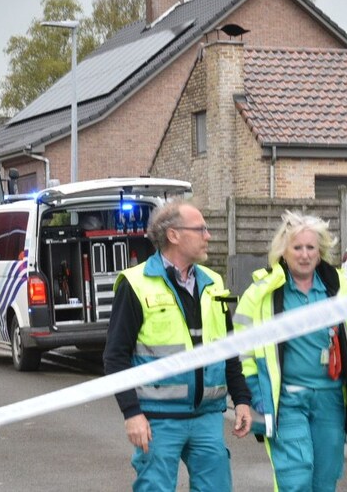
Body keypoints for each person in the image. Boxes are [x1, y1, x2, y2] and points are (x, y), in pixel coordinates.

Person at [235, 211, 347, 492]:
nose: (305, 254)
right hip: (286, 402)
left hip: (330, 400)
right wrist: (252, 391)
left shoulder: (344, 293)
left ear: (320, 252)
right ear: (283, 252)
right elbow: (243, 348)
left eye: (311, 248)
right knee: (295, 478)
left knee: (325, 480)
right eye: (298, 248)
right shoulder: (260, 295)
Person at [103, 200, 252, 491]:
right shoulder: (136, 284)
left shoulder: (213, 282)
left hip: (207, 416)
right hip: (158, 420)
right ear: (173, 235)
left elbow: (228, 350)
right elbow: (115, 356)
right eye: (200, 229)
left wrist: (242, 399)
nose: (208, 236)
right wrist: (132, 413)